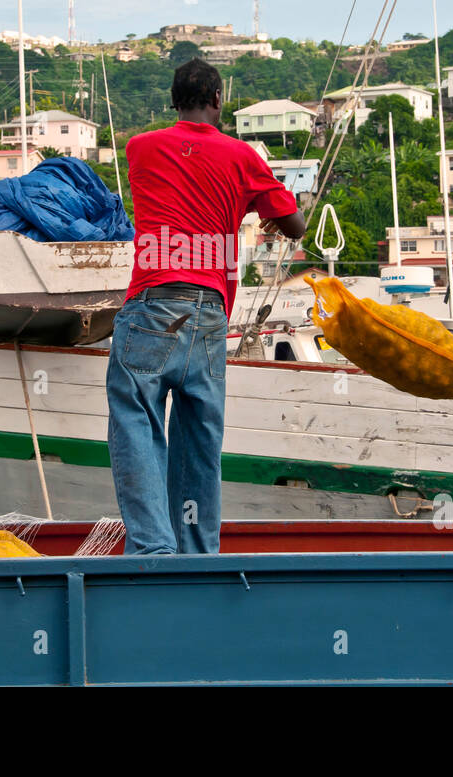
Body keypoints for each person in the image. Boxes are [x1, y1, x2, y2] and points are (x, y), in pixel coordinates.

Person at [106, 58, 306, 554]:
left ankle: (153, 549)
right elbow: (295, 226)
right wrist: (260, 204)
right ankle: (197, 557)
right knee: (200, 442)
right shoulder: (243, 157)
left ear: (174, 101)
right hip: (210, 315)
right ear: (219, 99)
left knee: (136, 421)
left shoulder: (140, 147)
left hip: (152, 305)